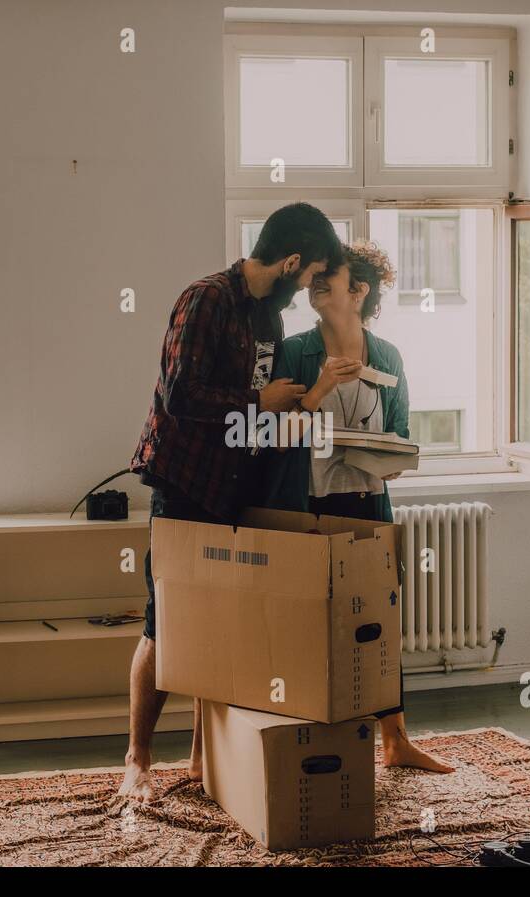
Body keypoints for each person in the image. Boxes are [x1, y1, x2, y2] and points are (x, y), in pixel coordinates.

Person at [119, 203, 345, 803]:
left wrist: (296, 408)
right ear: (292, 260)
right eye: (308, 274)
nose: (305, 288)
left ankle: (202, 757)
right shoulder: (205, 299)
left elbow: (258, 415)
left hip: (233, 489)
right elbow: (179, 395)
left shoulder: (267, 320)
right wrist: (257, 400)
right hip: (185, 483)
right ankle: (137, 759)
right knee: (164, 623)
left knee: (218, 629)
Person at [261, 239, 453, 773]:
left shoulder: (386, 355)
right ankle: (301, 741)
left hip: (369, 502)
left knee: (377, 624)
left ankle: (395, 741)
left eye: (329, 278)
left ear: (360, 291)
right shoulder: (295, 350)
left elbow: (400, 434)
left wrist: (391, 460)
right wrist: (319, 388)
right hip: (310, 506)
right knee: (307, 623)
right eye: (315, 279)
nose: (316, 286)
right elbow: (272, 433)